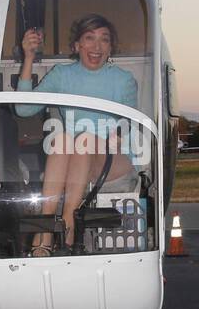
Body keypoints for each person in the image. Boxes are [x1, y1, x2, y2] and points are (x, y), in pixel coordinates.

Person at [16, 13, 139, 254]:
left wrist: (109, 140)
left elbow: (127, 128)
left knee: (81, 139)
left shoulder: (123, 80)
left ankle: (68, 221)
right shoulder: (62, 75)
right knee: (62, 139)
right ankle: (46, 227)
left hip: (113, 160)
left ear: (111, 46)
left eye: (104, 39)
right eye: (89, 38)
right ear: (77, 45)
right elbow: (23, 108)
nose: (96, 46)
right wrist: (28, 58)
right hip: (74, 157)